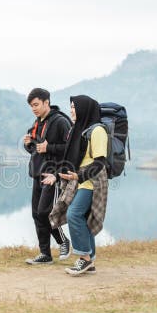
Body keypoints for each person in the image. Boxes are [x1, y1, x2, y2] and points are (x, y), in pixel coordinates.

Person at [42, 95, 109, 276]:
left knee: (74, 214)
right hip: (78, 180)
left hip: (91, 181)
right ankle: (90, 261)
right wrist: (58, 175)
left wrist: (79, 175)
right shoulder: (79, 130)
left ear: (84, 109)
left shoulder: (97, 131)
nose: (71, 110)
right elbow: (70, 158)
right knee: (83, 218)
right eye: (70, 107)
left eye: (74, 107)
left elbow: (100, 162)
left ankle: (84, 259)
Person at [23, 88, 72, 265]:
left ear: (46, 102)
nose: (33, 108)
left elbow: (71, 148)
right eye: (31, 106)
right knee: (36, 214)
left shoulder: (60, 122)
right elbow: (37, 149)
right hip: (38, 173)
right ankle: (45, 254)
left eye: (36, 104)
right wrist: (28, 144)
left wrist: (49, 148)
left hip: (53, 174)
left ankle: (63, 241)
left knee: (45, 212)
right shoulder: (37, 123)